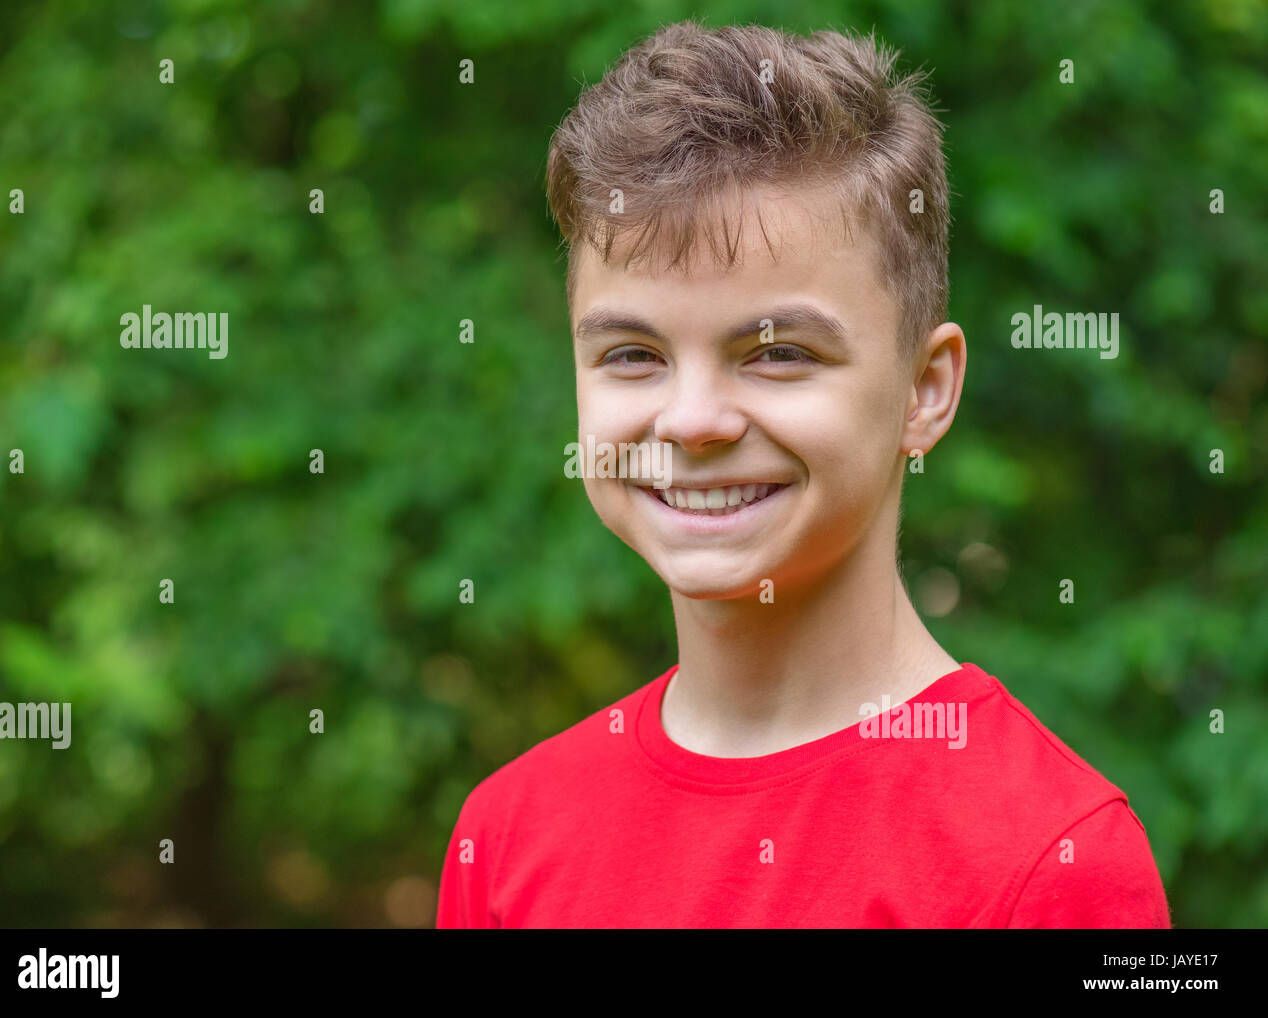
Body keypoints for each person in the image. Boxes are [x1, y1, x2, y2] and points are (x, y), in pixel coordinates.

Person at [437, 19, 1171, 928]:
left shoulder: (1053, 856)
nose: (693, 420)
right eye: (632, 354)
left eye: (777, 353)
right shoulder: (506, 838)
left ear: (924, 390)